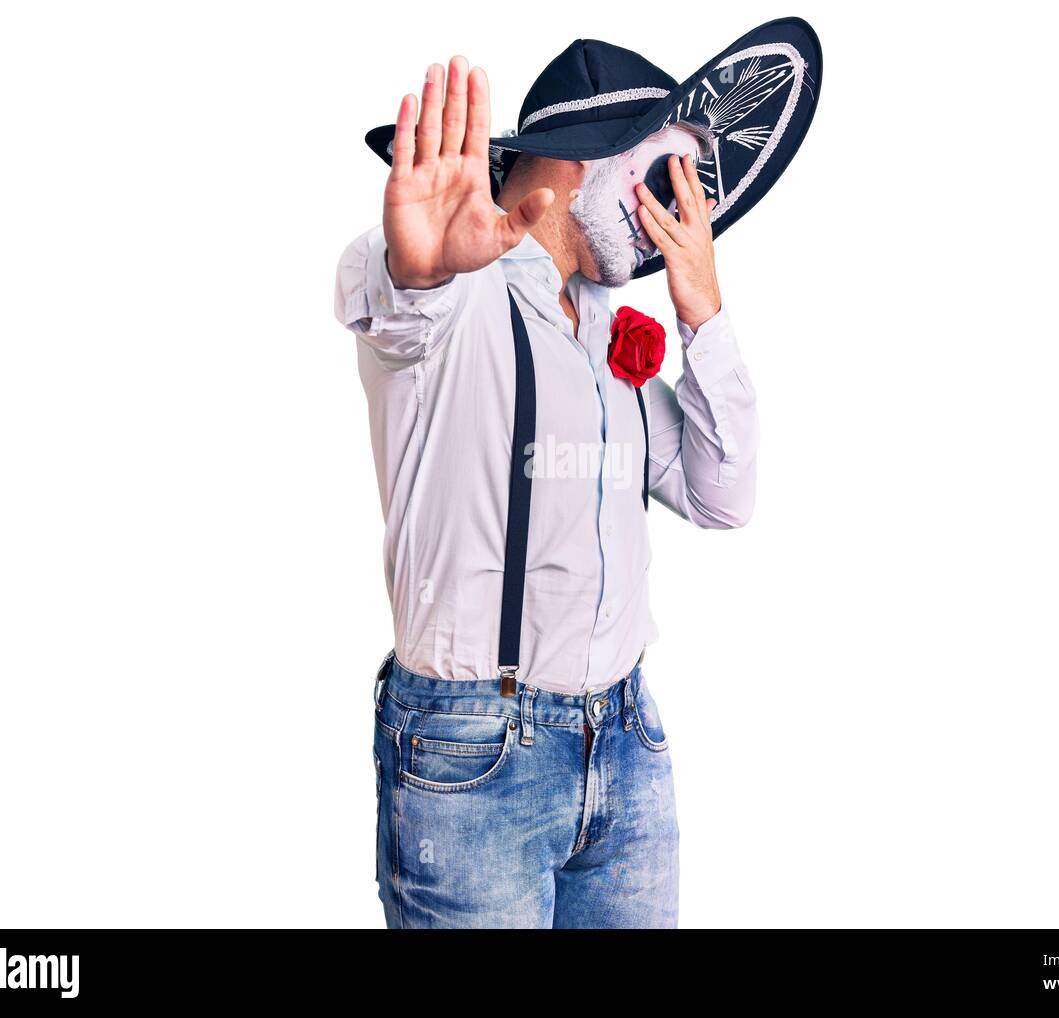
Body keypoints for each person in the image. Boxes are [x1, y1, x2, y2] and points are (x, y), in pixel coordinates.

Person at [334, 19, 821, 928]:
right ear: (573, 169)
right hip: (475, 753)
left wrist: (703, 316)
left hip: (627, 740)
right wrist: (418, 264)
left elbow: (725, 495)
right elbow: (394, 301)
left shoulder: (609, 334)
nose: (671, 215)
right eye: (659, 179)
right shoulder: (455, 292)